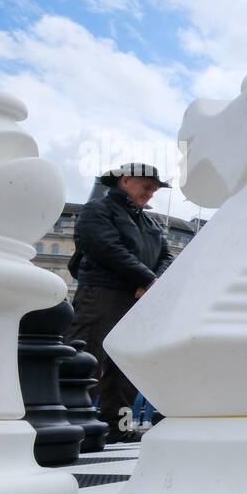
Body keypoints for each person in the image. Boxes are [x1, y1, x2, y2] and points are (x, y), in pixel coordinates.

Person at [66, 163, 173, 444]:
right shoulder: (97, 210)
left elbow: (166, 256)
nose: (151, 194)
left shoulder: (150, 222)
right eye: (147, 187)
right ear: (126, 181)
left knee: (126, 365)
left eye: (154, 190)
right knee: (87, 358)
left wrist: (152, 281)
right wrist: (147, 278)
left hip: (138, 299)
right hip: (103, 293)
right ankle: (73, 424)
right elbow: (106, 247)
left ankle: (118, 425)